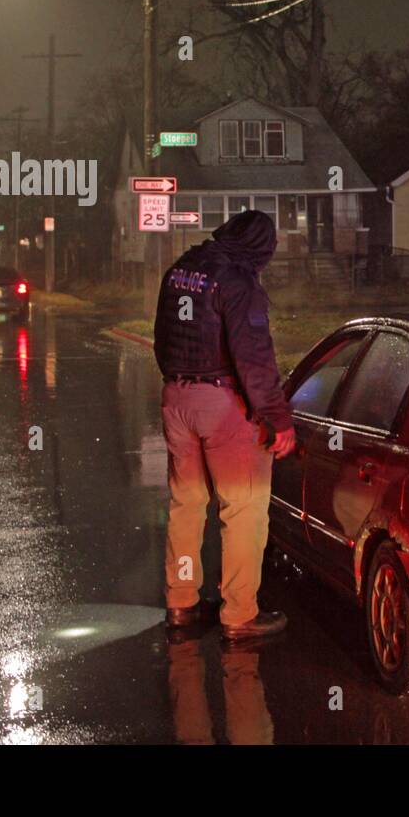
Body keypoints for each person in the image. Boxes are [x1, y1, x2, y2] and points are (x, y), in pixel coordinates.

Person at [153, 209, 296, 642]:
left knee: (187, 505)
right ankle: (239, 614)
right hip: (223, 404)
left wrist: (180, 381)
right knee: (243, 509)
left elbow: (162, 337)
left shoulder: (181, 269)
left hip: (176, 397)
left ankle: (181, 601)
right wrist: (276, 417)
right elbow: (253, 356)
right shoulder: (237, 281)